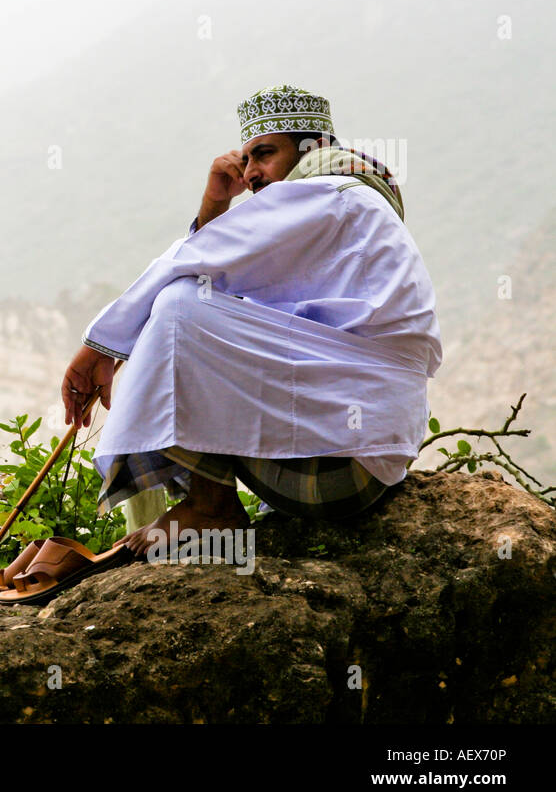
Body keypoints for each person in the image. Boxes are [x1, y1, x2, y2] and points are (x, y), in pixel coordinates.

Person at [61, 84, 442, 557]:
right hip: (356, 452)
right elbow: (221, 285)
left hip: (342, 465)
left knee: (180, 305)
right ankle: (204, 505)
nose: (252, 174)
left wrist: (100, 348)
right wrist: (215, 207)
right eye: (245, 161)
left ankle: (211, 506)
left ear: (311, 150)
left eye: (263, 154)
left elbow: (192, 270)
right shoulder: (343, 200)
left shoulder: (329, 195)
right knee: (191, 303)